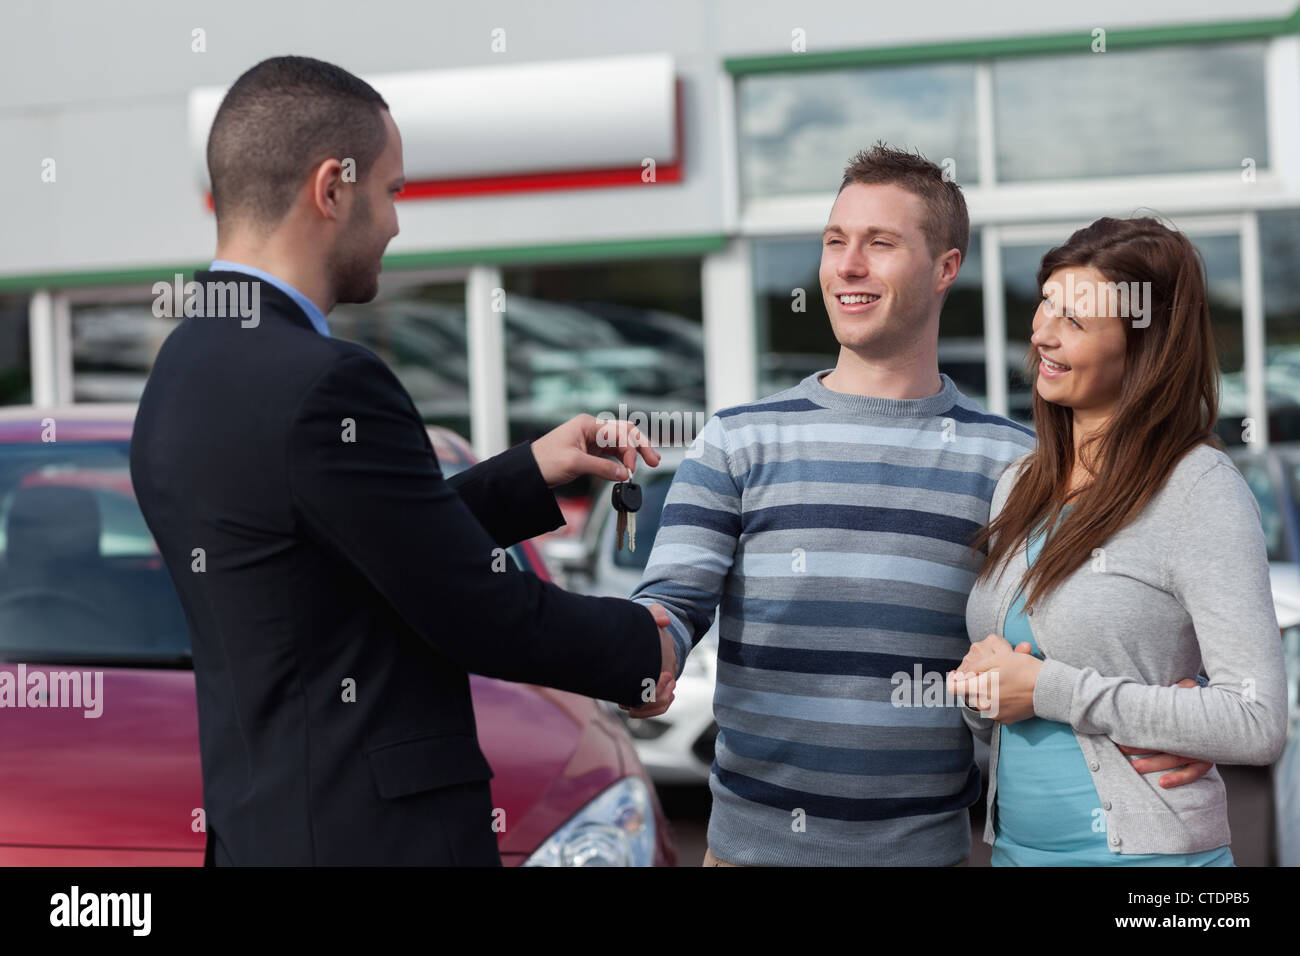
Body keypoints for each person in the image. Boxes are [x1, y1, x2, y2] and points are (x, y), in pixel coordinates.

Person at [129, 55, 676, 866]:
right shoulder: (323, 383)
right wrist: (644, 646)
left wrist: (526, 472)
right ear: (331, 188)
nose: (395, 222)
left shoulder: (182, 369)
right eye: (392, 191)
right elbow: (469, 606)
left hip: (265, 833)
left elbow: (359, 548)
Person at [951, 216, 1288, 865]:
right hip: (1015, 852)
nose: (1043, 335)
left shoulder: (1196, 488)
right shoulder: (1020, 483)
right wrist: (983, 690)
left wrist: (1051, 689)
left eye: (1075, 321)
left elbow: (1256, 721)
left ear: (1145, 346)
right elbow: (1001, 710)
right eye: (1046, 306)